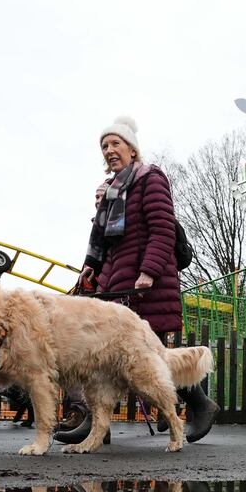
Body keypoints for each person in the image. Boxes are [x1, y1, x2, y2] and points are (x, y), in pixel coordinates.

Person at [56, 116, 217, 444]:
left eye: (115, 143)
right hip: (113, 282)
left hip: (146, 284)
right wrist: (90, 266)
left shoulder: (150, 179)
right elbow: (102, 239)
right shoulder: (110, 193)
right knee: (100, 353)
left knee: (148, 357)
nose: (109, 150)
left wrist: (149, 271)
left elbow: (163, 228)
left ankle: (200, 404)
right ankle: (96, 424)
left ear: (132, 149)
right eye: (104, 146)